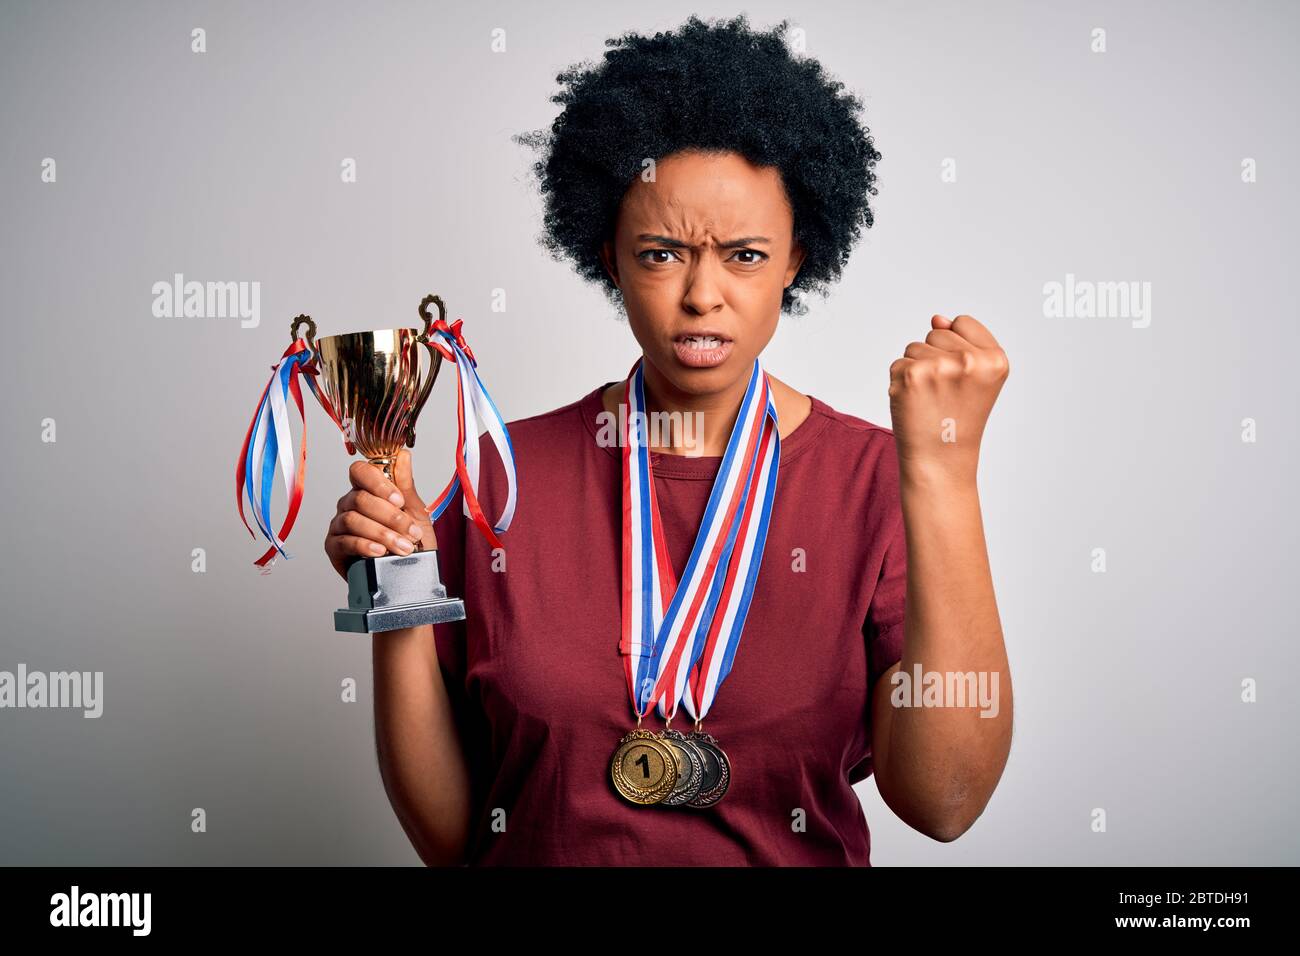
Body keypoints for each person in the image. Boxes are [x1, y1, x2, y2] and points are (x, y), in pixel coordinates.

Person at [324, 14, 1011, 866]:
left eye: (747, 255)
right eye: (660, 253)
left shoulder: (876, 481)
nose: (702, 296)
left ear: (797, 258)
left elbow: (944, 802)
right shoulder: (499, 477)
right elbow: (452, 837)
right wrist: (396, 595)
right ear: (608, 256)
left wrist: (943, 475)